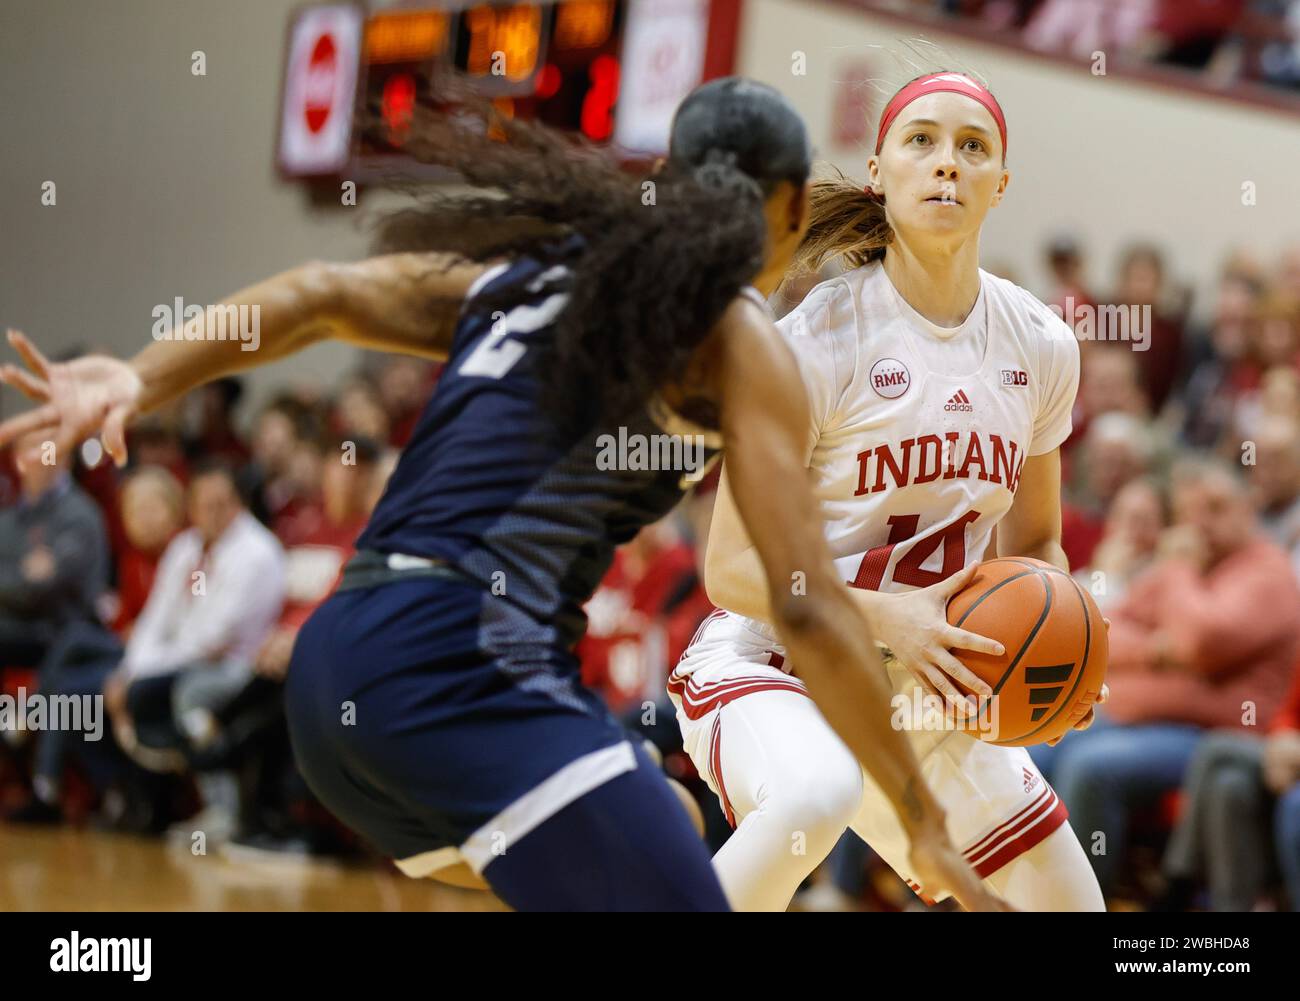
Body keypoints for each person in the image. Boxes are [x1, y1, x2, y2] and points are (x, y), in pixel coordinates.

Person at [0, 78, 1002, 912]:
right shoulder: (741, 337)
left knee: (676, 827)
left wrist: (139, 374)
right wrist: (921, 818)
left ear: (661, 181)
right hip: (462, 667)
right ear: (787, 211)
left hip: (337, 672)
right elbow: (802, 597)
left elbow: (316, 292)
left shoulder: (538, 271)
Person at [670, 70, 1106, 911]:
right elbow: (728, 568)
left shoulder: (1043, 345)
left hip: (923, 684)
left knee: (1069, 904)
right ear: (879, 171)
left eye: (973, 148)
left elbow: (1038, 543)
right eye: (923, 141)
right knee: (811, 796)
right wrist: (883, 614)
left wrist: (1065, 659)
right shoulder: (810, 343)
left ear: (1000, 184)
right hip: (775, 657)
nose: (948, 164)